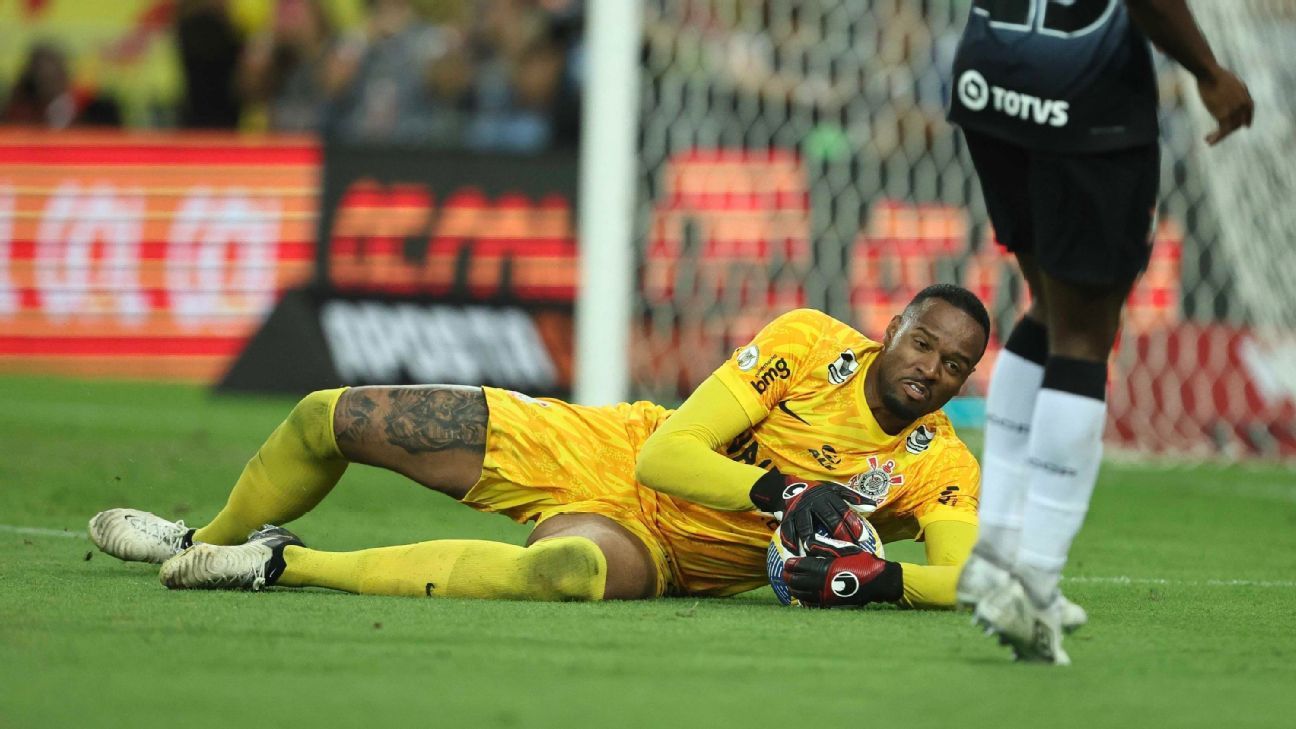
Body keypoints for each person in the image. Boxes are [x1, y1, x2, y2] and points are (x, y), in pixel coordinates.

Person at [91, 285, 1038, 613]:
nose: (933, 369)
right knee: (329, 413)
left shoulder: (937, 461)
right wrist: (785, 496)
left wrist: (881, 582)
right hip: (605, 446)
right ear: (891, 327)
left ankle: (274, 566)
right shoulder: (804, 344)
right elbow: (668, 454)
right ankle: (196, 537)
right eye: (924, 343)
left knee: (566, 573)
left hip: (667, 554)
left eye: (956, 364)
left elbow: (975, 578)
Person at [947, 0, 1254, 664]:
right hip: (1080, 94)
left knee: (1050, 308)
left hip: (988, 75)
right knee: (1085, 333)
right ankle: (1033, 581)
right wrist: (1207, 70)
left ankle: (993, 554)